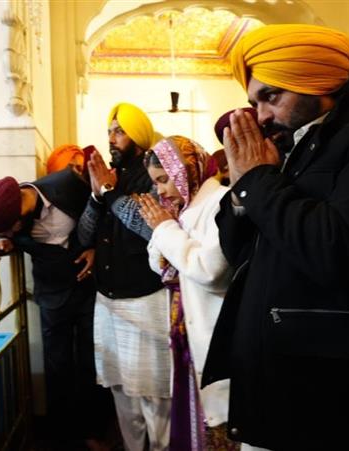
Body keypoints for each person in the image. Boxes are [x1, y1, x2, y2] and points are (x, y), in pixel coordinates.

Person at [201, 24, 349, 451]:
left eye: (272, 96)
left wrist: (258, 180)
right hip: (273, 386)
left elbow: (337, 249)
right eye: (255, 102)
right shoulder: (287, 148)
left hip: (335, 401)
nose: (261, 116)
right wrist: (241, 189)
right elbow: (239, 252)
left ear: (314, 81)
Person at [0, 167, 111, 451]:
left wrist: (95, 249)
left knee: (92, 364)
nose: (11, 233)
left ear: (20, 207)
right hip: (52, 298)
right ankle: (61, 437)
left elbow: (104, 216)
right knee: (57, 369)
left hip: (91, 291)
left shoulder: (67, 183)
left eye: (10, 229)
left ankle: (94, 431)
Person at [77, 103, 170, 451]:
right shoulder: (108, 177)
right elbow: (83, 236)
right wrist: (95, 195)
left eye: (119, 131)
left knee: (154, 391)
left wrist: (110, 192)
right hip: (108, 299)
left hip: (146, 297)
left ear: (138, 133)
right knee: (120, 387)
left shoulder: (154, 173)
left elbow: (150, 228)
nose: (112, 138)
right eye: (109, 131)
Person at [136, 136, 236, 451]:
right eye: (155, 182)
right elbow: (159, 265)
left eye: (164, 179)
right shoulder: (184, 206)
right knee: (193, 419)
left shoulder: (220, 201)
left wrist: (166, 229)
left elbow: (211, 271)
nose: (160, 190)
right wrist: (164, 227)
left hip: (213, 330)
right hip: (186, 335)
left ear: (186, 171)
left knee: (219, 425)